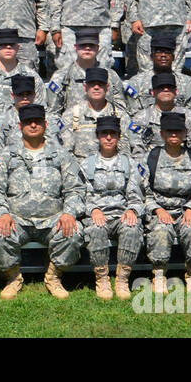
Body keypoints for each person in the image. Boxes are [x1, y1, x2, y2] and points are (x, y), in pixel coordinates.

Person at [0, 104, 86, 300]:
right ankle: (13, 278)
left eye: (37, 122)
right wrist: (2, 212)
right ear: (19, 125)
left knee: (73, 233)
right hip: (17, 219)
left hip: (52, 219)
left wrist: (69, 212)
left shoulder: (61, 155)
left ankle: (54, 277)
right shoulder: (7, 155)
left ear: (45, 124)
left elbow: (76, 189)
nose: (33, 125)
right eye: (28, 122)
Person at [139, 111, 191, 294]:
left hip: (185, 209)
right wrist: (157, 210)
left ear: (185, 133)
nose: (174, 135)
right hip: (159, 209)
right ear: (162, 134)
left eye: (178, 131)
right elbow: (142, 191)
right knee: (161, 230)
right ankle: (159, 276)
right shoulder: (150, 158)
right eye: (169, 131)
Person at [79, 115, 145, 300]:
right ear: (97, 136)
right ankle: (102, 279)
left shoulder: (128, 163)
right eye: (104, 134)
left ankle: (122, 279)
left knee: (132, 228)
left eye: (113, 134)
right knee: (96, 228)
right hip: (97, 213)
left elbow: (135, 194)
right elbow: (82, 194)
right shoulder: (87, 164)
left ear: (118, 136)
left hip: (121, 213)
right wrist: (93, 210)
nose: (108, 138)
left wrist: (132, 209)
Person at [59, 67, 129, 160]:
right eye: (92, 84)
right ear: (85, 87)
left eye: (101, 84)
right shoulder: (71, 115)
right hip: (80, 170)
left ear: (107, 87)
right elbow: (66, 154)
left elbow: (125, 152)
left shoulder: (121, 116)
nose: (96, 87)